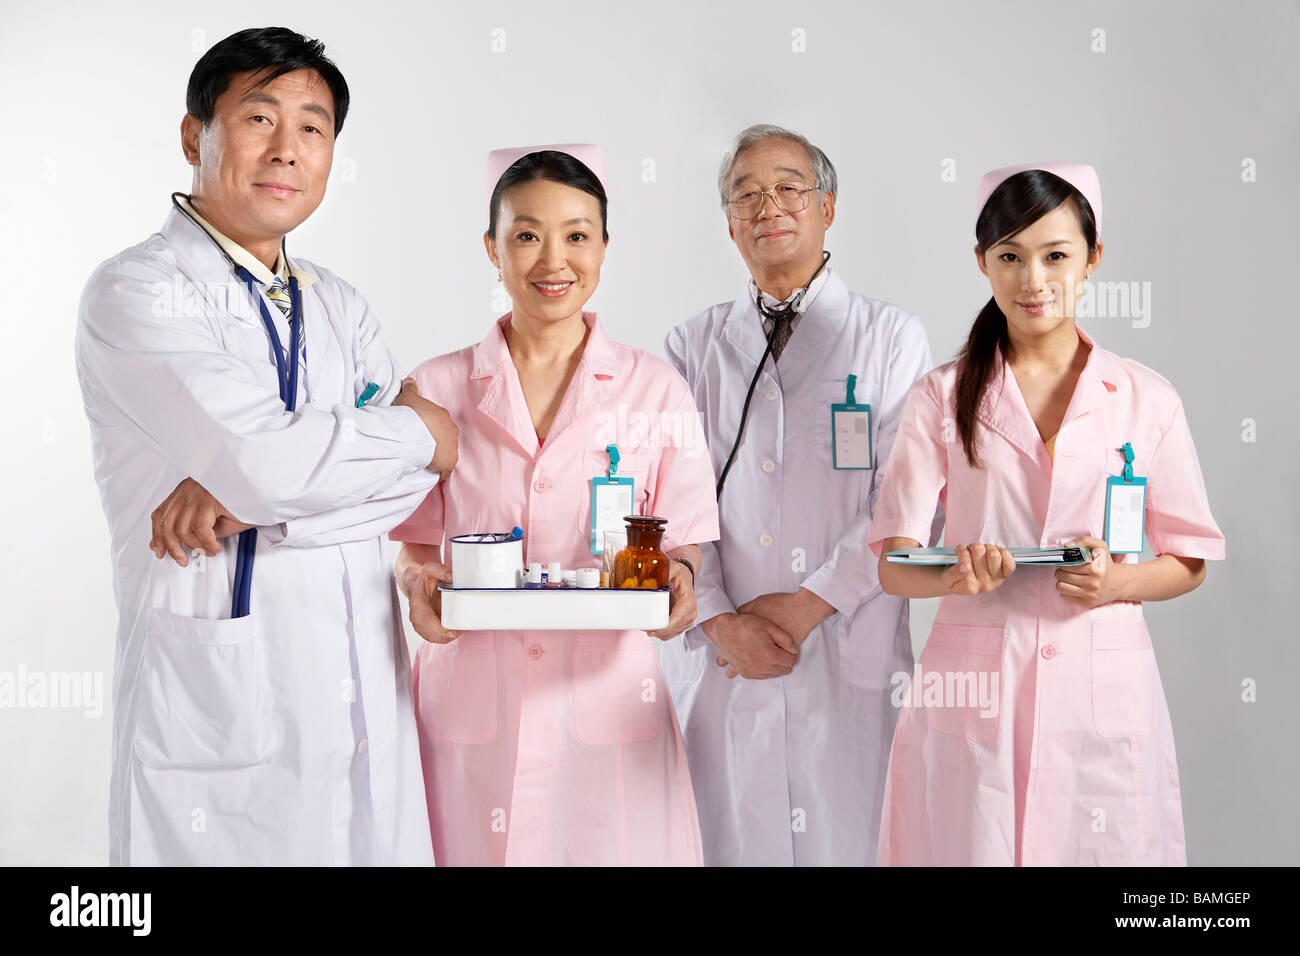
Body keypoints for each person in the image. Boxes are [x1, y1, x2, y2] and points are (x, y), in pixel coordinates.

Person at [75, 27, 457, 865]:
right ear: (194, 135)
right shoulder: (137, 291)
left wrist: (255, 501)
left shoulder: (341, 306)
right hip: (217, 709)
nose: (288, 150)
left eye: (313, 128)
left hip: (361, 698)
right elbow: (264, 461)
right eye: (260, 118)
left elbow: (412, 495)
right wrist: (420, 430)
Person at [869, 162, 1225, 866]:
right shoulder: (940, 399)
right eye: (1010, 256)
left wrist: (1116, 584)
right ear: (982, 263)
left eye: (1056, 255)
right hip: (976, 686)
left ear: (1093, 259)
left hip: (1102, 692)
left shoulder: (1145, 399)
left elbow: (1189, 559)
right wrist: (952, 576)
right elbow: (892, 564)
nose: (1033, 279)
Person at [389, 145, 721, 866]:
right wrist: (419, 585)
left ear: (604, 248)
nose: (553, 259)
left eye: (577, 234)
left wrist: (682, 585)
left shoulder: (655, 389)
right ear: (492, 247)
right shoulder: (437, 385)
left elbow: (686, 540)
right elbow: (414, 543)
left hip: (606, 704)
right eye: (527, 234)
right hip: (474, 706)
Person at [658, 125, 937, 866]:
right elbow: (673, 497)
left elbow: (906, 500)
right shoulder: (690, 347)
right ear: (728, 224)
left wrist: (809, 602)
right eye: (745, 194)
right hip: (726, 657)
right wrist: (719, 621)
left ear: (829, 207)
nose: (767, 205)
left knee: (849, 839)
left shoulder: (890, 338)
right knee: (728, 839)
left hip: (847, 639)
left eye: (789, 186)